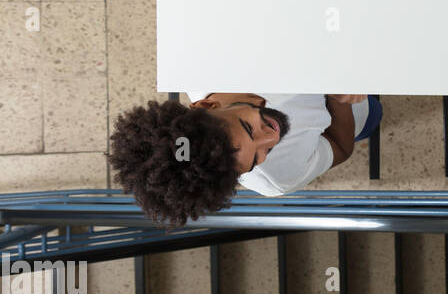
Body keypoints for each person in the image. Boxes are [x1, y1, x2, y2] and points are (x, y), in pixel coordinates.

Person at [108, 92, 383, 226]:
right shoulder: (276, 178)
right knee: (375, 113)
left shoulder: (208, 55)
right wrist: (340, 97)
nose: (271, 139)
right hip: (357, 108)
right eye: (258, 158)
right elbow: (339, 146)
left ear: (206, 105)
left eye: (249, 128)